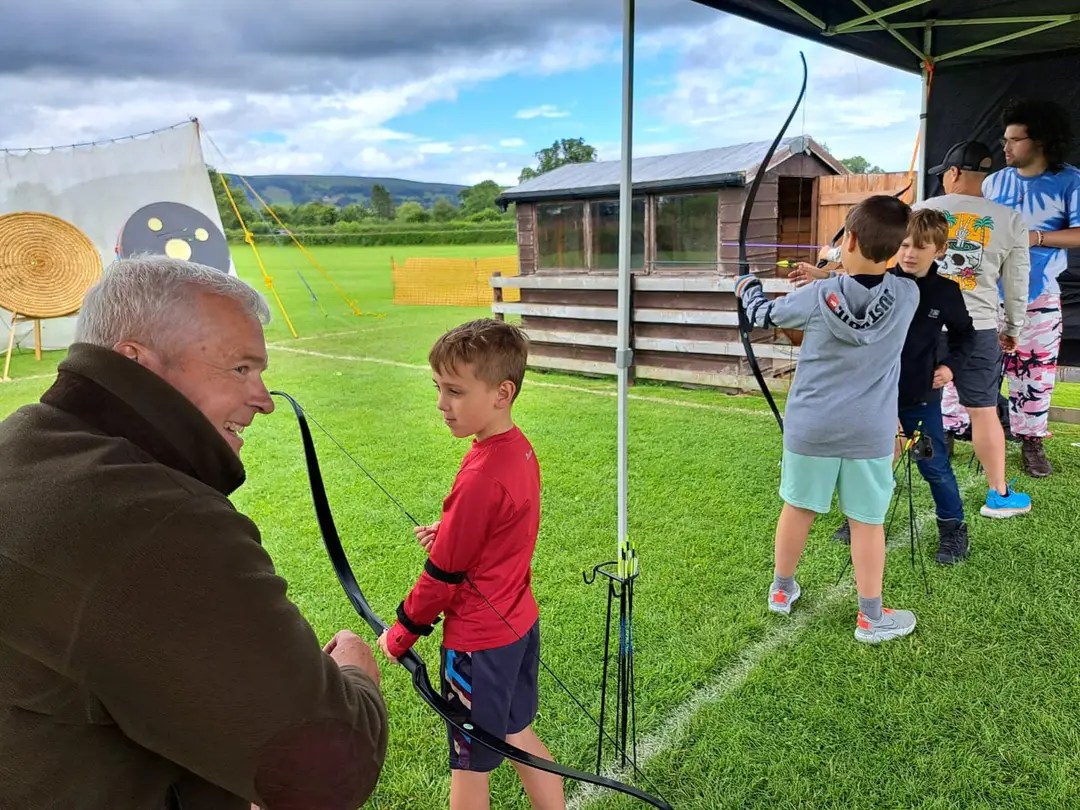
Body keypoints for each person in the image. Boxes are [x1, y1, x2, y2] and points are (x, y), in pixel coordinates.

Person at [0, 256, 388, 810]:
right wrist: (355, 669)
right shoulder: (156, 520)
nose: (266, 400)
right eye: (240, 369)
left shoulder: (20, 443)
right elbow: (327, 771)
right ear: (137, 361)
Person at [376, 319, 564, 810]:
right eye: (438, 388)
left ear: (502, 393)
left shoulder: (482, 472)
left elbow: (443, 575)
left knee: (468, 768)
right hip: (518, 625)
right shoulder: (515, 449)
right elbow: (505, 529)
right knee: (518, 734)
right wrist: (452, 534)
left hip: (478, 646)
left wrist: (401, 633)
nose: (441, 403)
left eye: (455, 391)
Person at [736, 195, 919, 644]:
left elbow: (761, 314)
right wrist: (842, 261)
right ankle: (872, 618)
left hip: (812, 426)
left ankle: (781, 591)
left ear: (849, 239)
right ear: (897, 251)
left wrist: (747, 287)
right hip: (869, 431)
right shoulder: (908, 294)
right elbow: (875, 278)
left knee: (798, 507)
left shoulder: (817, 296)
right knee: (866, 521)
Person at [791, 209, 976, 563]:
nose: (909, 254)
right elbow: (849, 286)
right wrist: (821, 275)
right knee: (869, 466)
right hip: (875, 399)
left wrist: (950, 367)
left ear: (939, 250)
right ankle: (859, 521)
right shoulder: (883, 282)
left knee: (934, 466)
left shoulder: (946, 293)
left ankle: (953, 530)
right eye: (904, 244)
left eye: (921, 247)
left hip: (918, 396)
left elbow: (966, 336)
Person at [913, 140, 1033, 517]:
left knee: (901, 408)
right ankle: (998, 494)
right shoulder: (1010, 219)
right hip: (978, 328)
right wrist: (1013, 326)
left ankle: (875, 486)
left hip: (923, 326)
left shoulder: (920, 210)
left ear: (953, 173)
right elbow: (1017, 282)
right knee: (982, 411)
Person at [983, 98, 1080, 477]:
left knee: (1035, 373)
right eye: (1004, 138)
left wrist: (1036, 237)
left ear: (1039, 141)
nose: (1004, 147)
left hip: (1039, 292)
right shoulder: (993, 183)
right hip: (989, 292)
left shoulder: (1071, 180)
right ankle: (957, 430)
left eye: (1014, 139)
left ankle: (1032, 442)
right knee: (972, 364)